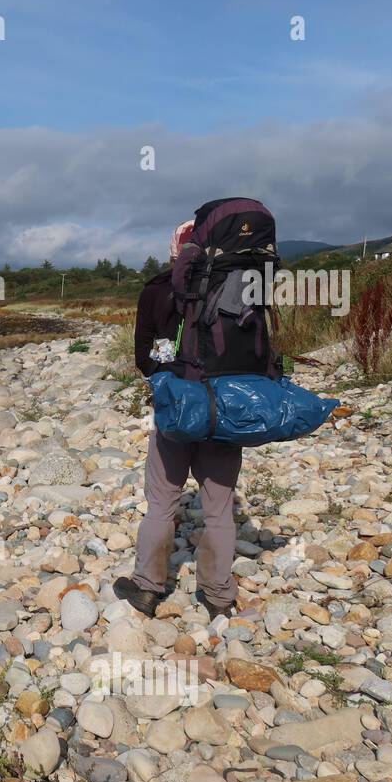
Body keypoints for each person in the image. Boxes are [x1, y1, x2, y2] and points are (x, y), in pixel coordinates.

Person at [114, 220, 243, 618]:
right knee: (220, 510)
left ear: (175, 250)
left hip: (176, 410)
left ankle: (148, 590)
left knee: (161, 504)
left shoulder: (156, 290)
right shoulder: (240, 287)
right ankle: (219, 599)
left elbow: (144, 359)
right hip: (223, 412)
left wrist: (170, 379)